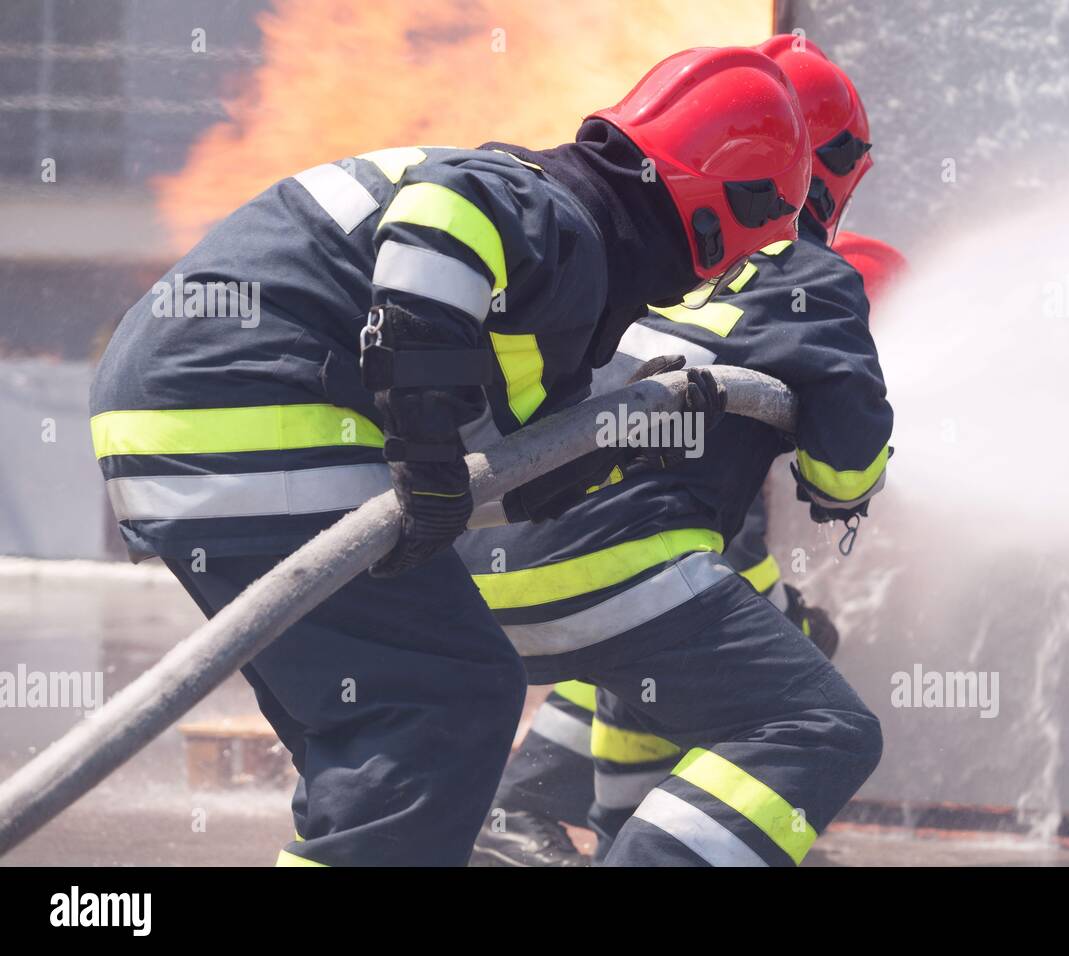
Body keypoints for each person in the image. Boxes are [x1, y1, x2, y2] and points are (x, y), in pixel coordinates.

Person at [88, 46, 810, 866]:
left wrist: (614, 441)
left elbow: (511, 450)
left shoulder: (556, 247)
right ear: (719, 215)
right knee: (444, 700)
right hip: (246, 405)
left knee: (380, 738)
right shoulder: (553, 212)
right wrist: (426, 454)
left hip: (188, 415)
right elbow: (448, 214)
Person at [462, 35, 890, 867]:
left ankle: (627, 831)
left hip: (476, 555)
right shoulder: (809, 276)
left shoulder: (652, 241)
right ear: (824, 165)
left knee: (658, 646)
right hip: (599, 562)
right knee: (825, 724)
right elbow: (844, 472)